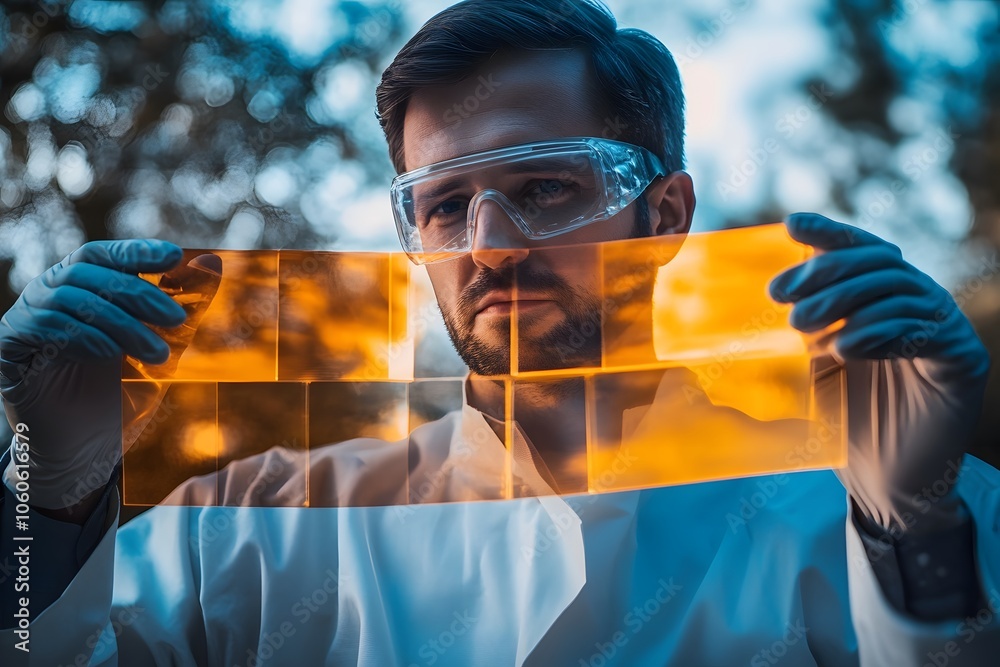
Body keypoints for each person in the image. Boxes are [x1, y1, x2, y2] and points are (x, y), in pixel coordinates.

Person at [2, 0, 998, 664]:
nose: (489, 246)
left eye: (544, 189)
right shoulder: (261, 517)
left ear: (664, 215)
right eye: (441, 206)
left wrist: (915, 535)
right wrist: (43, 495)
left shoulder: (877, 490)